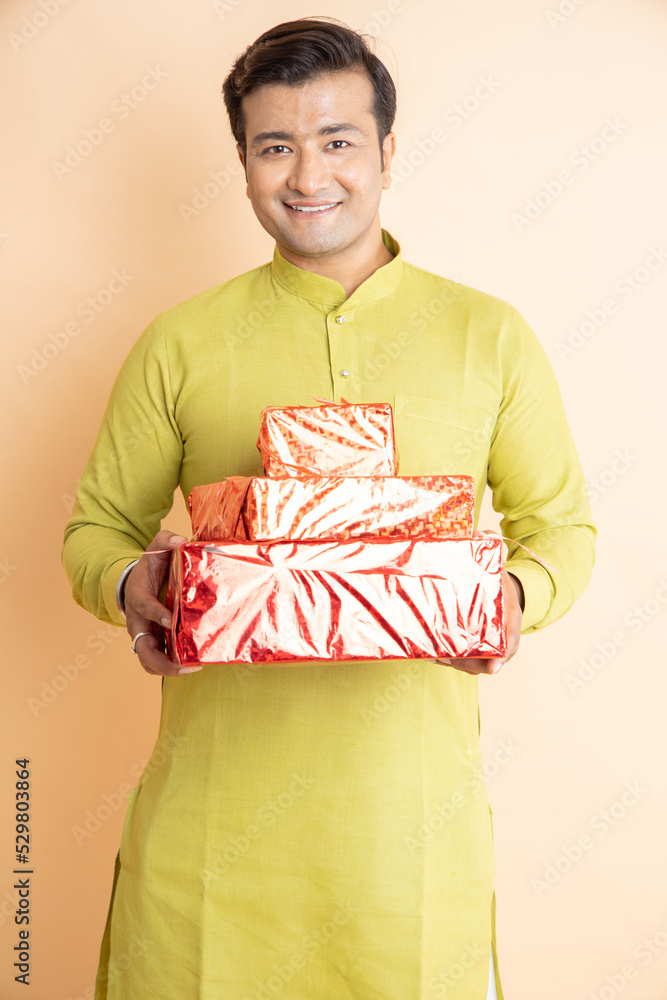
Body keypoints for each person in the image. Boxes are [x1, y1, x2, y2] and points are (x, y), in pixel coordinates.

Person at [62, 17, 596, 1000]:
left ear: (386, 151)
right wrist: (135, 585)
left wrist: (507, 600)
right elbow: (95, 529)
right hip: (207, 849)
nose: (308, 175)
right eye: (275, 146)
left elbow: (562, 529)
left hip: (410, 850)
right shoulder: (179, 342)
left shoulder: (489, 336)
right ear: (243, 164)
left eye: (337, 140)